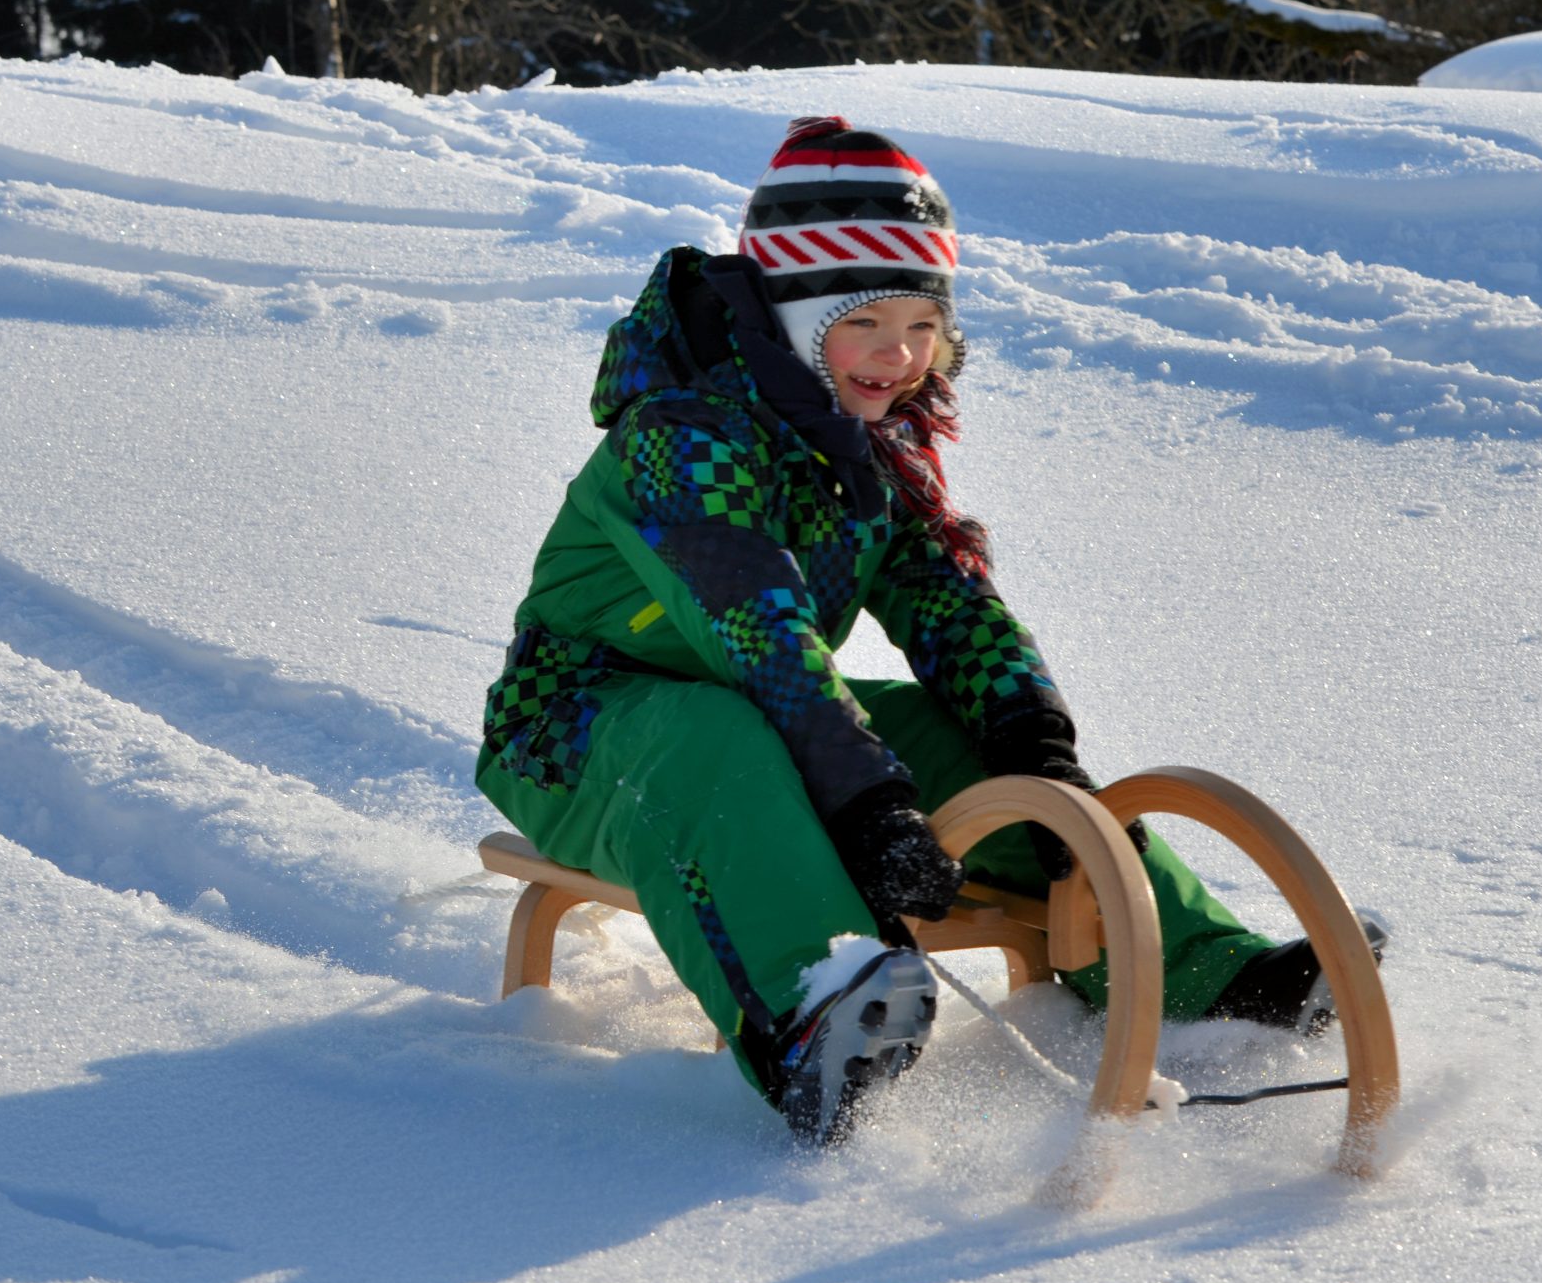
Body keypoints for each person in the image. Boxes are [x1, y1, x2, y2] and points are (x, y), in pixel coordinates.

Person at [475, 116, 1371, 1146]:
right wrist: (864, 808)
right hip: (583, 731)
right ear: (793, 312)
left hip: (760, 712)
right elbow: (757, 633)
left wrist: (1032, 744)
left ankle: (1202, 969)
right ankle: (816, 1004)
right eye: (864, 323)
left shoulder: (869, 448)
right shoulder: (677, 438)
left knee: (944, 738)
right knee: (716, 745)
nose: (898, 356)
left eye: (922, 324)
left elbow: (946, 602)